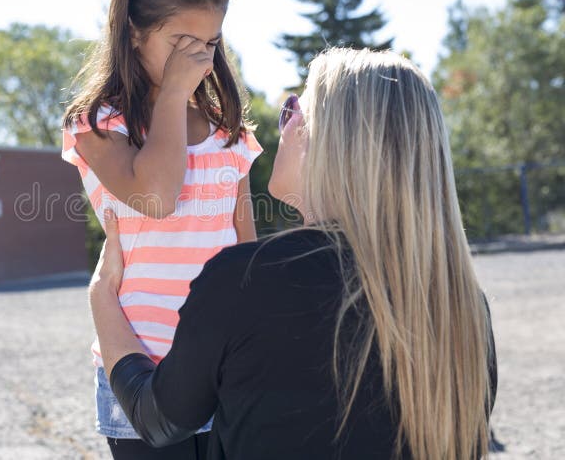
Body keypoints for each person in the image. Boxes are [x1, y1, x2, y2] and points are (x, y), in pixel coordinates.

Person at [90, 47, 498, 459]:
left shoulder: (246, 280)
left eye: (292, 110)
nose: (281, 128)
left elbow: (158, 420)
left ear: (326, 141)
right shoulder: (462, 309)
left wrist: (103, 297)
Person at [60, 0, 264, 459]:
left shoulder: (229, 133)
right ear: (134, 34)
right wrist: (173, 95)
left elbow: (246, 249)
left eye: (210, 42)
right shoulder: (98, 125)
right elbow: (157, 197)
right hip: (139, 369)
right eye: (180, 41)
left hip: (226, 369)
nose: (198, 56)